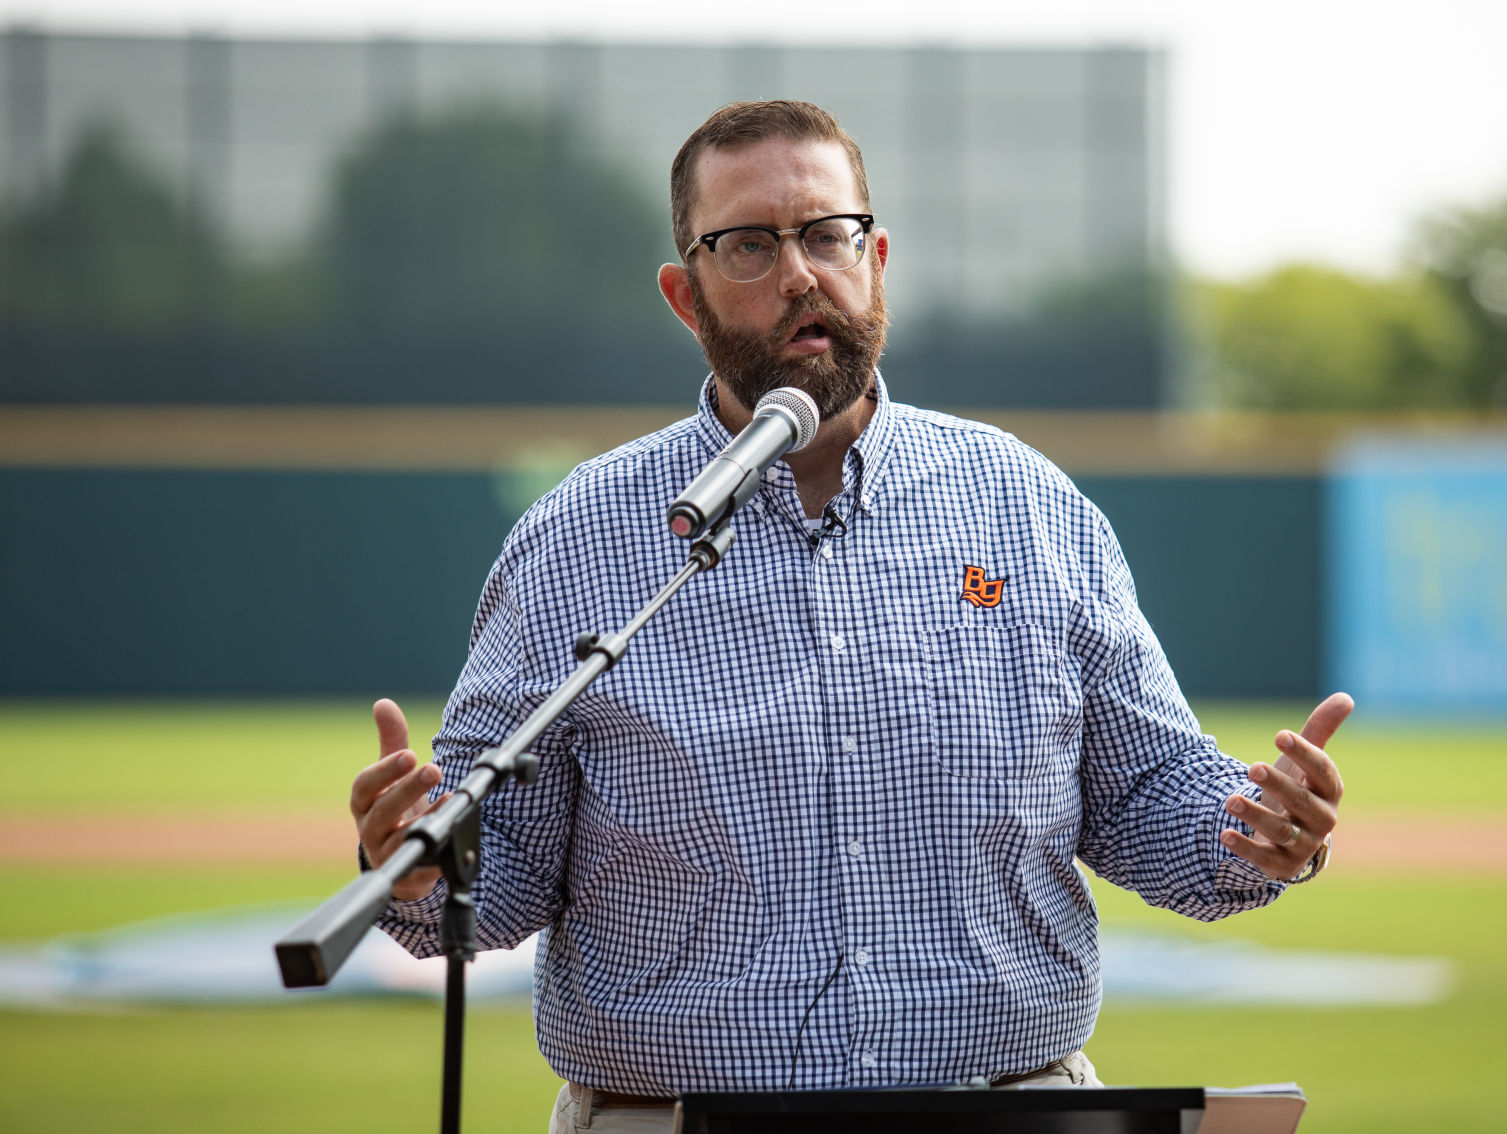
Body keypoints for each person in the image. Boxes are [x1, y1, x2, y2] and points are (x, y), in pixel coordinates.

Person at [350, 100, 1350, 1132]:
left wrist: (1255, 830)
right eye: (746, 245)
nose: (798, 274)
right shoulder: (578, 538)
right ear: (683, 296)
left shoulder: (1026, 506)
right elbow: (494, 873)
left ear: (875, 259)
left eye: (827, 235)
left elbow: (1148, 791)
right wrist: (424, 862)